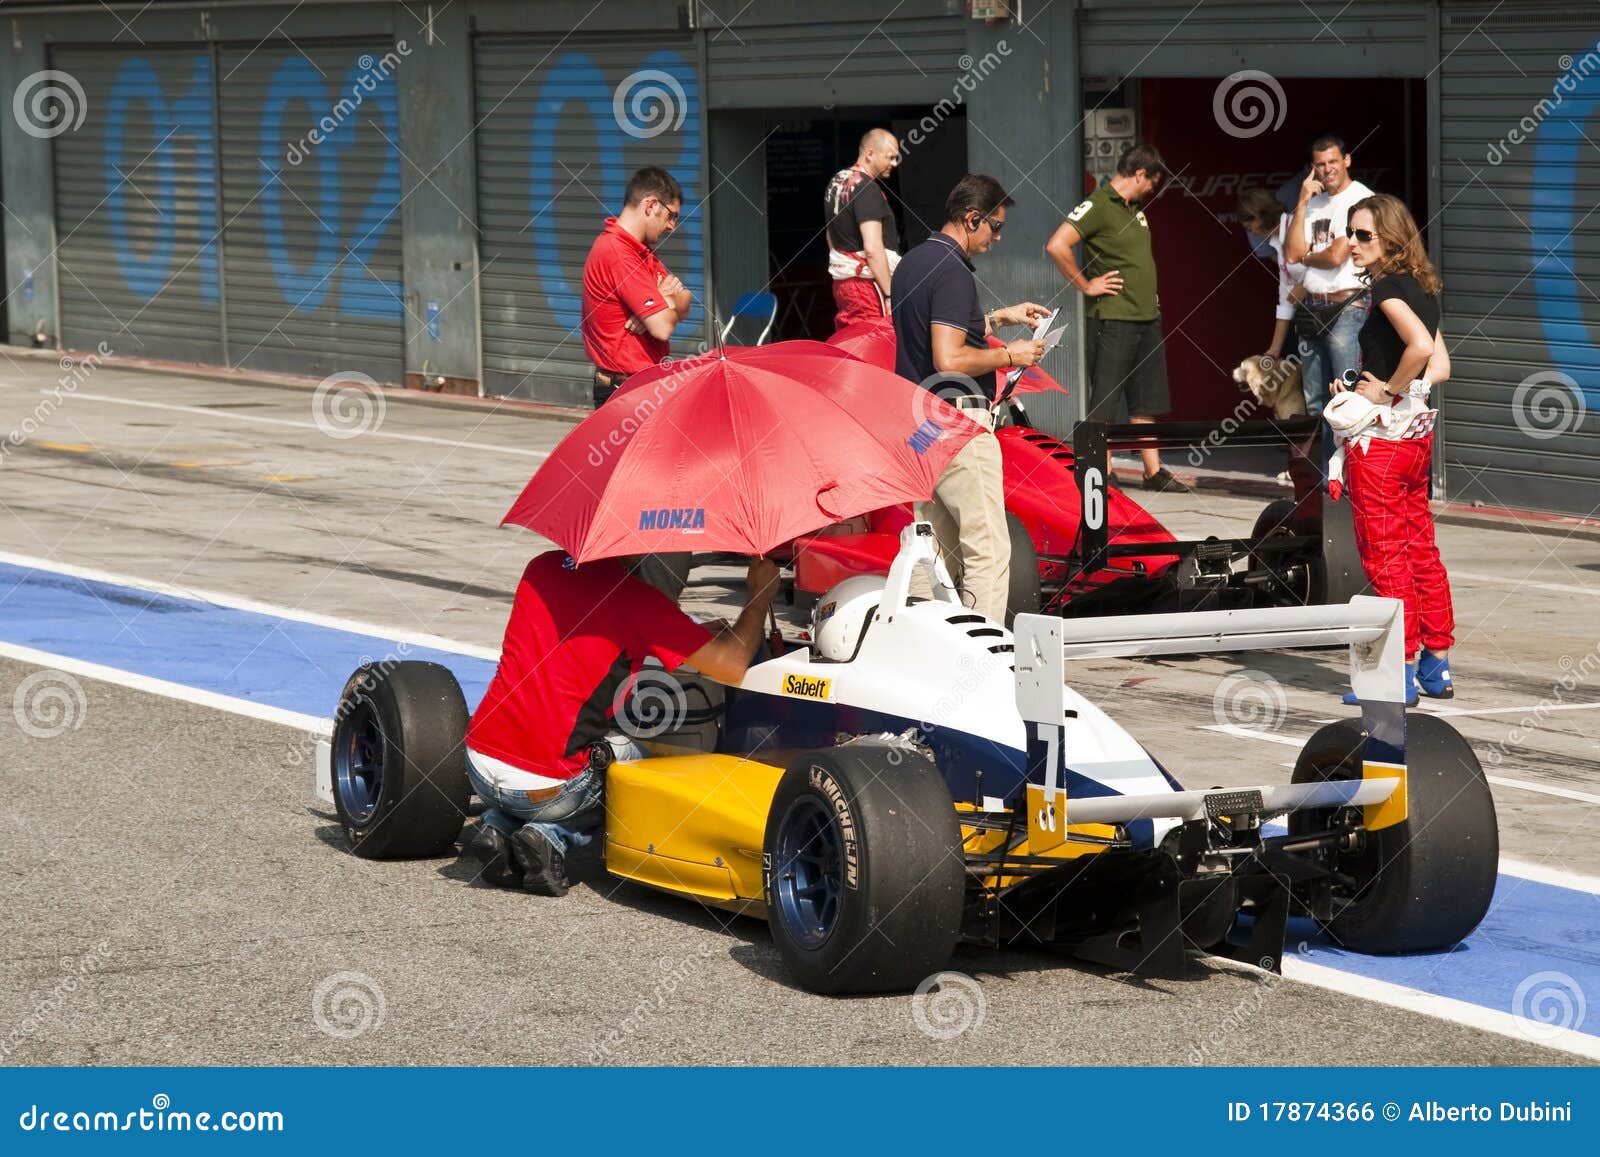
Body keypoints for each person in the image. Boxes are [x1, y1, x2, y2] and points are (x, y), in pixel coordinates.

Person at [464, 551, 780, 895]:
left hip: (479, 762)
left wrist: (681, 633)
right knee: (637, 761)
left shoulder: (541, 567)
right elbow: (732, 664)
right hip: (548, 791)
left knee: (543, 763)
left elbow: (591, 627)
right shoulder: (640, 602)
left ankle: (498, 823)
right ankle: (550, 836)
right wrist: (760, 594)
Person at [891, 173, 1049, 624]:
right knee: (988, 548)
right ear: (971, 218)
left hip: (920, 425)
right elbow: (948, 354)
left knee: (931, 547)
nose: (997, 238)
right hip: (957, 423)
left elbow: (935, 333)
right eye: (995, 227)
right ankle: (981, 659)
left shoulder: (912, 263)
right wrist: (1010, 355)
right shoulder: (954, 271)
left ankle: (918, 639)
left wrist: (999, 317)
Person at [1327, 193, 1454, 705]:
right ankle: (1435, 664)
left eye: (1363, 236)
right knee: (1420, 548)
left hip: (1380, 443)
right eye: (1349, 233)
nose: (1352, 244)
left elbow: (1421, 350)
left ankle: (1396, 674)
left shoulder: (1386, 289)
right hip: (1415, 440)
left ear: (1391, 239)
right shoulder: (1423, 285)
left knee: (1385, 556)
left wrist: (1381, 392)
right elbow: (1440, 365)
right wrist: (1403, 391)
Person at [1047, 143, 1189, 492]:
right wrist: (1086, 284)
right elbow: (1057, 245)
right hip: (1113, 319)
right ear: (1140, 174)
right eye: (1152, 181)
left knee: (1146, 400)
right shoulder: (1097, 205)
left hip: (1146, 317)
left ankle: (1152, 472)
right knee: (1105, 402)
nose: (1154, 189)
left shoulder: (1135, 208)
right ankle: (1102, 473)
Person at [580, 167, 692, 408]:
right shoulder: (618, 253)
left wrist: (662, 301)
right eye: (671, 215)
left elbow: (685, 299)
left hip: (644, 385)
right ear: (651, 206)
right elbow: (662, 327)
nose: (672, 226)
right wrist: (661, 302)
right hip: (625, 390)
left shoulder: (640, 252)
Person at [1283, 135, 1374, 418]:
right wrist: (1301, 199)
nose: (1328, 169)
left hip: (1347, 307)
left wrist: (1307, 256)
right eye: (1320, 164)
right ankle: (1324, 465)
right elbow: (1290, 253)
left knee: (1347, 397)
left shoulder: (1359, 197)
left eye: (1333, 161)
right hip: (1312, 308)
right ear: (1313, 168)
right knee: (1315, 402)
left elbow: (1336, 255)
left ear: (1347, 160)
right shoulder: (1313, 203)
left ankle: (1351, 464)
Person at [825, 129, 902, 331]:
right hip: (867, 286)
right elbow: (873, 248)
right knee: (874, 346)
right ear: (870, 154)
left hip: (843, 283)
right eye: (890, 157)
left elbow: (829, 235)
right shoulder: (868, 189)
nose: (895, 163)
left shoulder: (837, 181)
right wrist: (889, 293)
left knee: (851, 341)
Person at [1237, 187, 1306, 363]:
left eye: (1249, 220)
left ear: (1263, 213)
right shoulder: (1276, 242)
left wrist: (1304, 285)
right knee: (1309, 386)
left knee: (1339, 386)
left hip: (1334, 315)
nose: (1247, 227)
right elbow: (1286, 300)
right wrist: (1273, 350)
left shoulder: (1299, 227)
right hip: (1308, 319)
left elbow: (1328, 263)